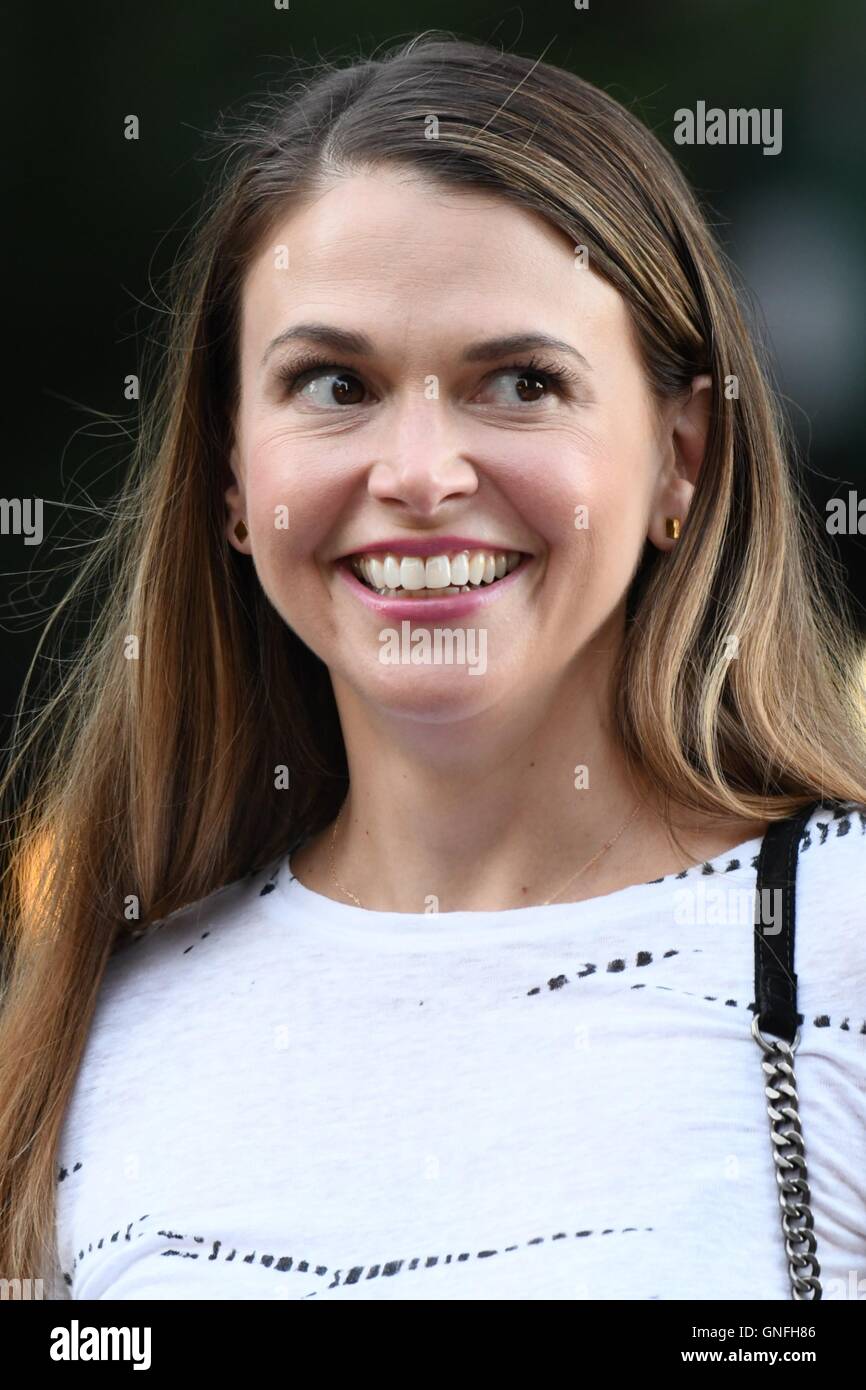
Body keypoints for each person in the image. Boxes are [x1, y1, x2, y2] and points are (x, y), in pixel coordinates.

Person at [1, 33, 864, 1302]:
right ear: (233, 474)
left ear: (678, 454)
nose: (417, 474)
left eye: (519, 382)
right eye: (332, 381)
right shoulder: (87, 1029)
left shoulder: (839, 946)